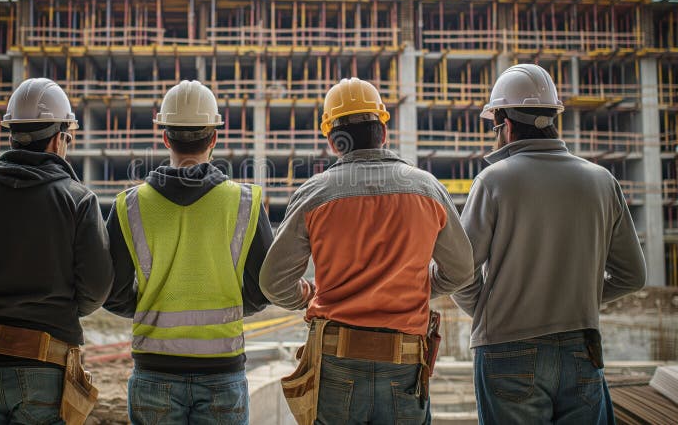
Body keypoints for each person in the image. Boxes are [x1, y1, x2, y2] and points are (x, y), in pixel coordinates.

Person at [260, 77, 474, 424]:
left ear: (332, 140)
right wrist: (417, 286)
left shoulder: (315, 194)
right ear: (383, 132)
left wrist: (308, 295)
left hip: (336, 363)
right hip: (404, 363)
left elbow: (273, 282)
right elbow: (462, 271)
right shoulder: (426, 188)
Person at [453, 64, 647, 424]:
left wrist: (490, 309)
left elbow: (458, 270)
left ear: (506, 124)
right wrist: (576, 296)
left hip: (506, 349)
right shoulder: (602, 181)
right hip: (581, 346)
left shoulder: (494, 181)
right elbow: (632, 276)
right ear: (552, 116)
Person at [0, 77, 113, 424]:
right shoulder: (78, 201)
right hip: (44, 367)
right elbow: (97, 288)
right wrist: (65, 306)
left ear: (11, 133)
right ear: (59, 138)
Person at [103, 80, 273, 425]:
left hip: (154, 371)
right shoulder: (245, 203)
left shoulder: (129, 205)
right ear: (214, 137)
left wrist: (154, 306)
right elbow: (261, 291)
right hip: (223, 372)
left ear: (165, 137)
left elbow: (113, 293)